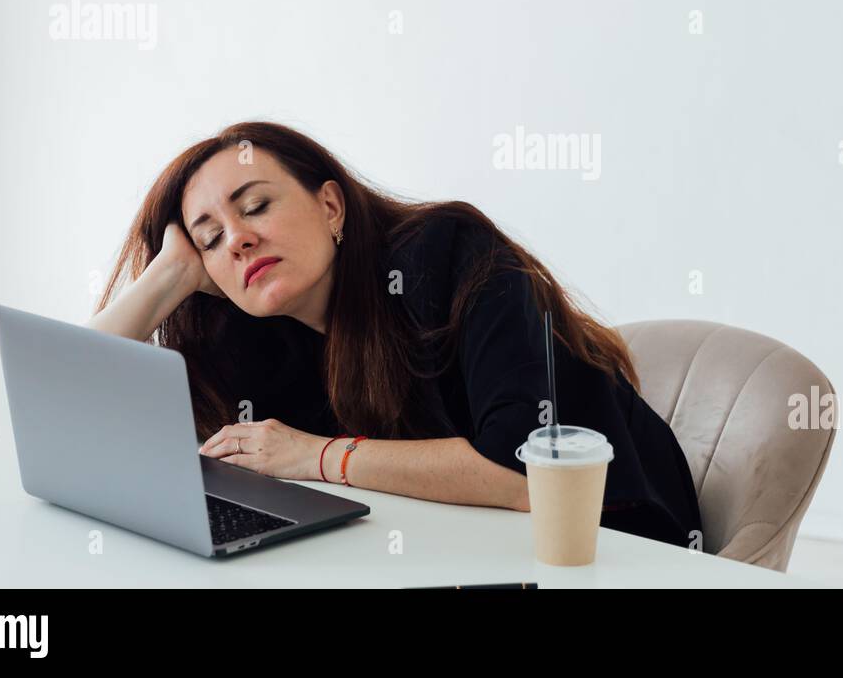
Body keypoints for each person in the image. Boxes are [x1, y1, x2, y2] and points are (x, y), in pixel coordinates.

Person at [88, 120, 702, 550]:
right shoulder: (261, 341)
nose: (238, 239)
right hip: (464, 551)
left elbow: (527, 477)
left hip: (613, 548)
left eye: (254, 207)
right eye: (211, 239)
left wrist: (317, 455)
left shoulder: (448, 253)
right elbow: (80, 419)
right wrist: (166, 277)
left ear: (331, 207)